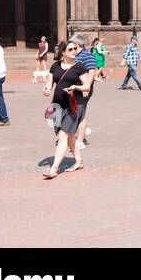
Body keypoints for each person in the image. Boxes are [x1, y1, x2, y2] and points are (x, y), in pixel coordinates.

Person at [42, 40, 94, 178]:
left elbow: (87, 86)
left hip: (75, 105)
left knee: (63, 136)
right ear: (63, 52)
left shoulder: (79, 67)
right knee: (69, 135)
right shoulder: (55, 66)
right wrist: (47, 89)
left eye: (75, 49)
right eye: (70, 49)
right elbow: (49, 84)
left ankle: (54, 169)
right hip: (58, 106)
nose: (74, 51)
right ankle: (79, 161)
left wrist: (75, 87)